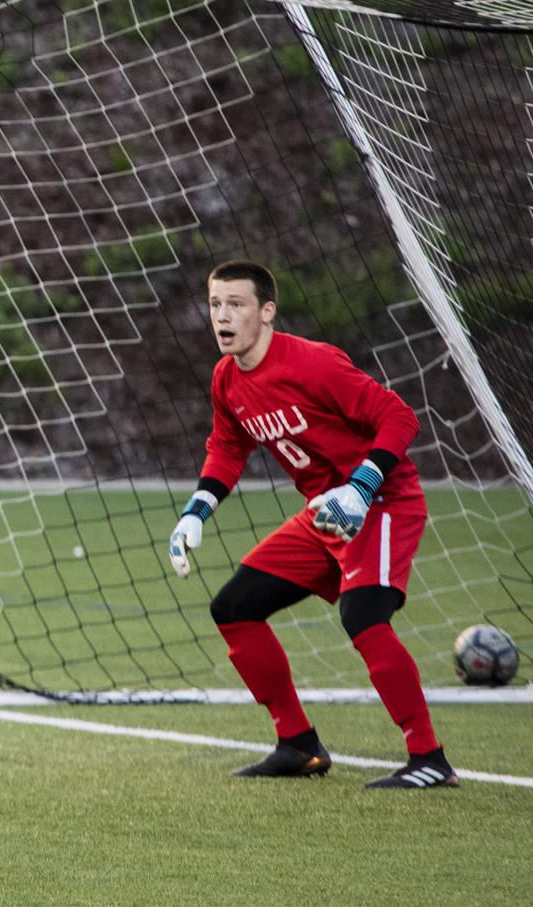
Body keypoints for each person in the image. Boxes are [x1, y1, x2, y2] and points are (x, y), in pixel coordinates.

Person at [167, 259, 454, 789]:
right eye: (215, 304)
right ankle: (298, 745)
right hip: (323, 513)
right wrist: (196, 512)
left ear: (267, 312)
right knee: (234, 608)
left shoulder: (313, 363)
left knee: (363, 617)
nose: (222, 316)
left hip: (383, 501)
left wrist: (361, 487)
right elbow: (227, 447)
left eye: (236, 304)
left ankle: (429, 758)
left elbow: (399, 417)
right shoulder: (227, 378)